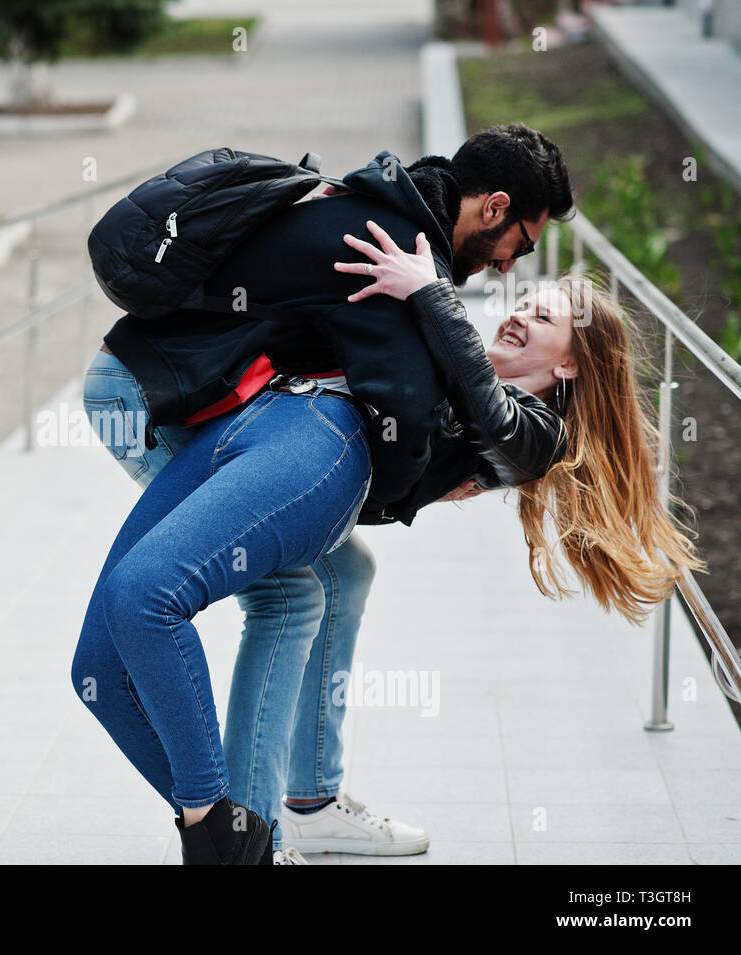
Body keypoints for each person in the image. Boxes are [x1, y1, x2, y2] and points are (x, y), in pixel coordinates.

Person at [71, 126, 697, 864]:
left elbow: (461, 423)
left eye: (544, 310)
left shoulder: (525, 419)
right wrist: (427, 292)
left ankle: (265, 819)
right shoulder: (401, 242)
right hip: (171, 394)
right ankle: (260, 818)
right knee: (286, 597)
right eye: (521, 252)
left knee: (318, 581)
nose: (512, 286)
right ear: (492, 207)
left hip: (277, 428)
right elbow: (403, 432)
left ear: (569, 367)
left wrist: (429, 301)